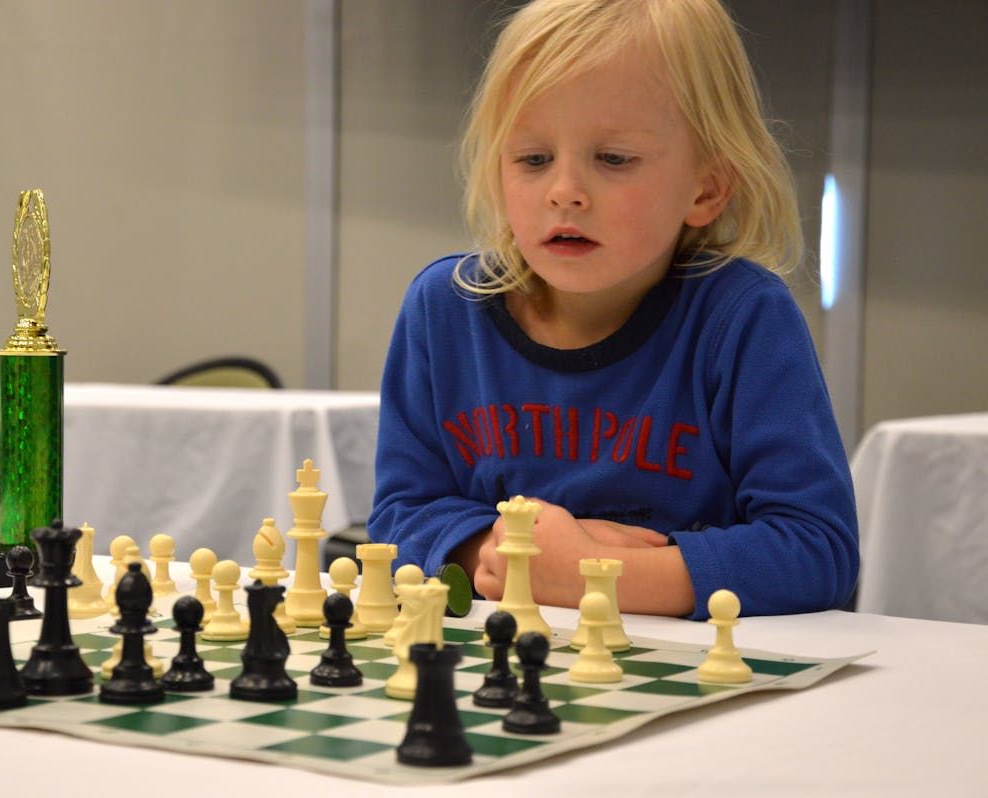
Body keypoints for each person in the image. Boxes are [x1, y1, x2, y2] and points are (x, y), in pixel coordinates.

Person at [366, 0, 859, 620]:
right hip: (494, 673)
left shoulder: (743, 318)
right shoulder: (445, 310)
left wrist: (599, 577)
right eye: (533, 159)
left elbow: (820, 552)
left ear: (706, 188)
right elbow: (397, 521)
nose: (564, 190)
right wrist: (507, 554)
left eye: (614, 159)